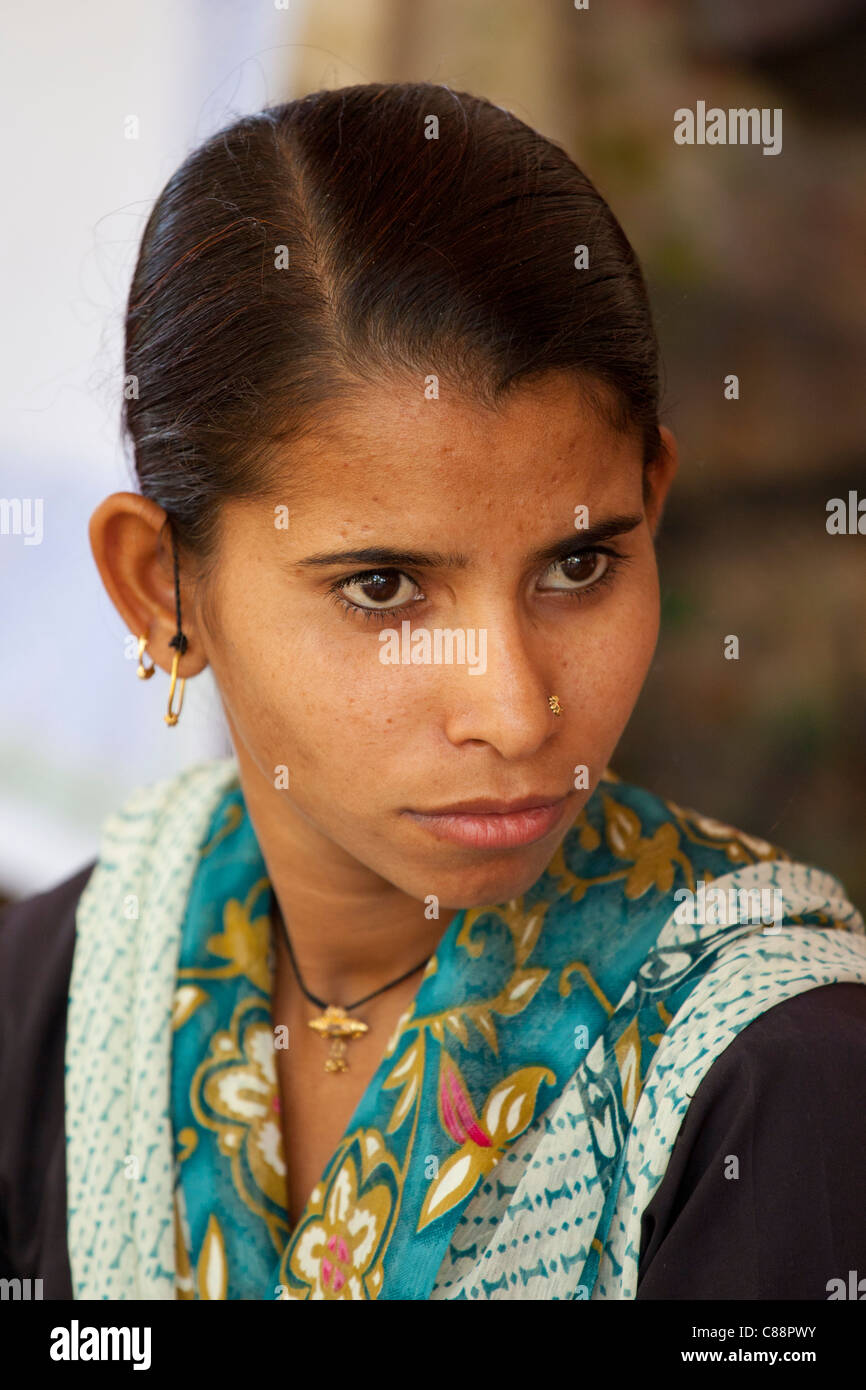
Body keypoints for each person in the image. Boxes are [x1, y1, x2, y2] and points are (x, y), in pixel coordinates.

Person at [2, 81, 865, 1302]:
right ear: (164, 591)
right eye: (382, 588)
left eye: (579, 563)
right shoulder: (62, 1003)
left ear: (651, 501)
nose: (515, 714)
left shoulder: (778, 1086)